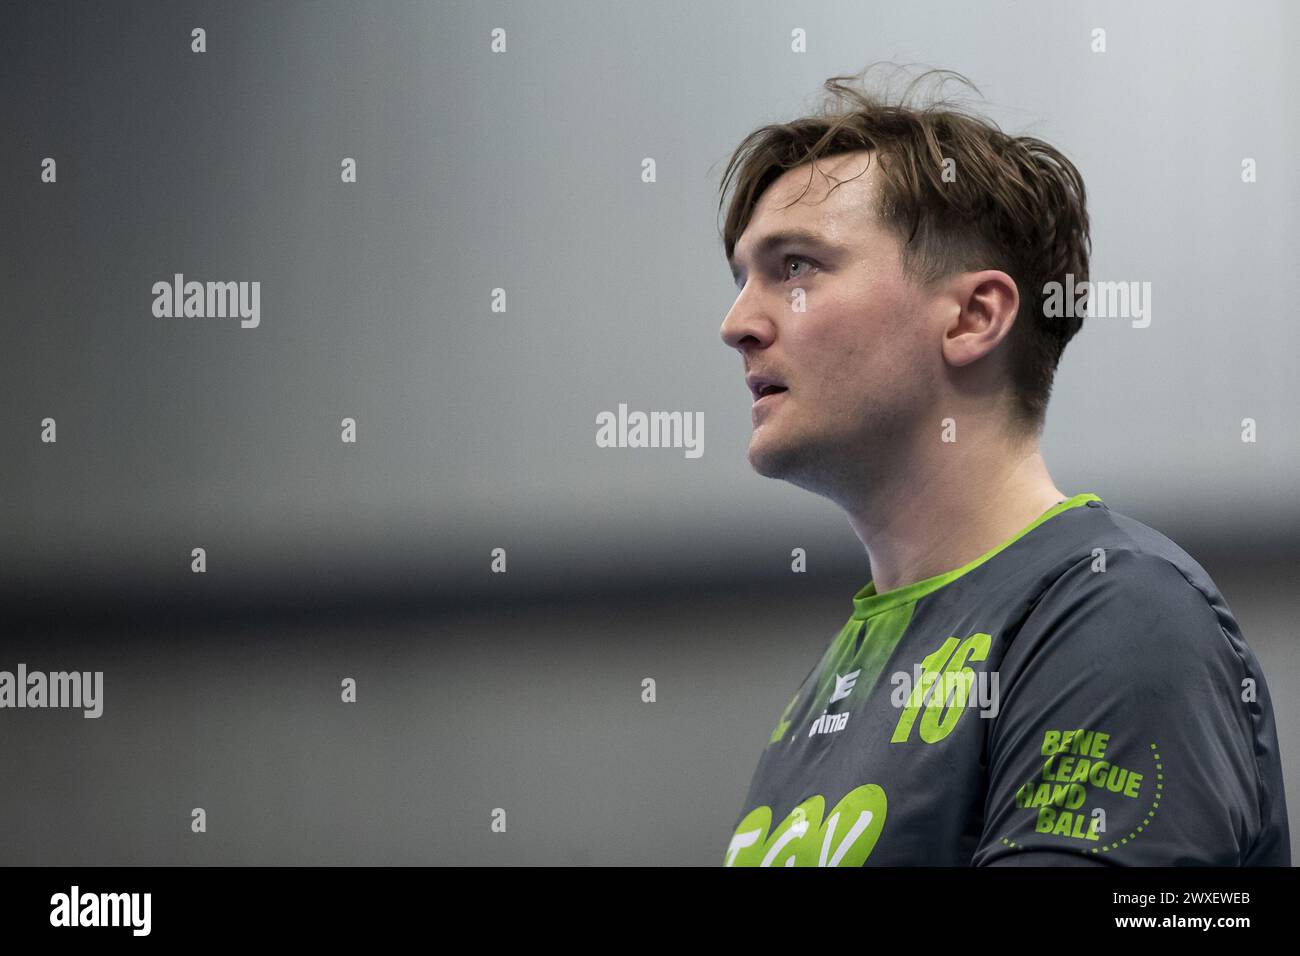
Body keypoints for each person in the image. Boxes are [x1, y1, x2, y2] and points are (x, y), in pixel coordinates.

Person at [717, 68, 1289, 866]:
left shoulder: (1116, 614)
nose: (737, 323)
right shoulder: (837, 677)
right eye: (742, 277)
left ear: (974, 317)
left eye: (796, 268)